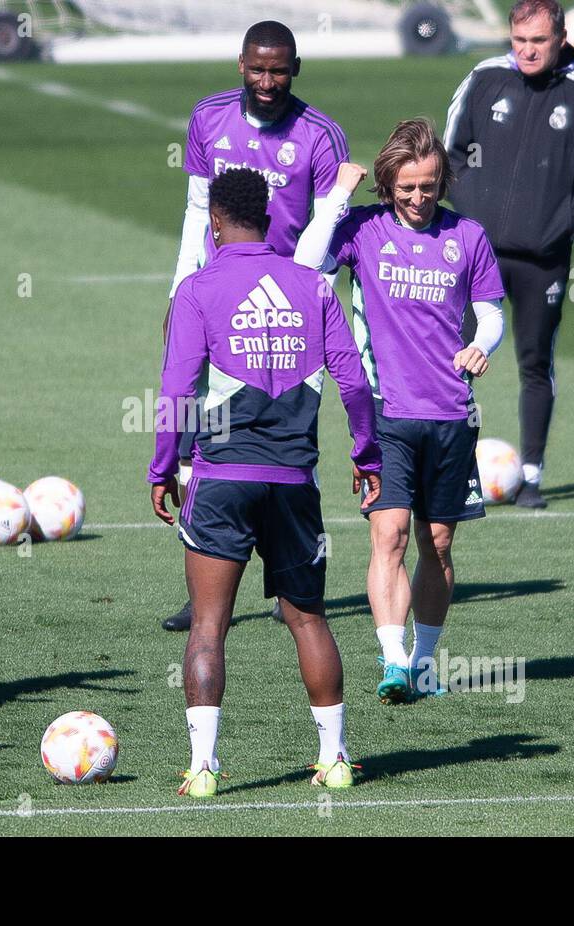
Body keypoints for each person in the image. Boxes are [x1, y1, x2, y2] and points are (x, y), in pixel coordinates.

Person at [149, 168, 382, 796]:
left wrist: (163, 466)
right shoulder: (313, 286)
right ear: (273, 218)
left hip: (222, 477)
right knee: (308, 619)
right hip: (293, 483)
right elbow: (354, 381)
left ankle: (203, 769)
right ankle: (333, 760)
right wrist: (367, 455)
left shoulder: (199, 290)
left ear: (216, 223)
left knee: (208, 625)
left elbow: (176, 389)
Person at [295, 118, 505, 702]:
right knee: (387, 536)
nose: (419, 198)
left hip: (451, 414)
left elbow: (491, 314)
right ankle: (392, 662)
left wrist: (480, 345)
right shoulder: (363, 229)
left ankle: (424, 662)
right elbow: (304, 265)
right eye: (408, 187)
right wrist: (338, 194)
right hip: (386, 414)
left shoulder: (469, 236)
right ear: (387, 185)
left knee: (437, 543)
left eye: (430, 186)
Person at [161, 19, 350, 631]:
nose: (267, 81)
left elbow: (325, 230)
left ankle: (289, 580)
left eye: (279, 69)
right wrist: (178, 289)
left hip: (290, 294)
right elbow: (196, 212)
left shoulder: (321, 136)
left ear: (295, 68)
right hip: (217, 295)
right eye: (257, 68)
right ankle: (207, 581)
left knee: (291, 425)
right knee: (201, 420)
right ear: (240, 64)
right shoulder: (207, 118)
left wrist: (291, 292)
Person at [444, 0, 574, 508]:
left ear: (561, 38)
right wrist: (470, 217)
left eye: (538, 42)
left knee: (534, 361)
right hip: (475, 256)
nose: (526, 51)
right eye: (519, 40)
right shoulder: (483, 79)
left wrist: (558, 223)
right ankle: (455, 469)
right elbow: (450, 154)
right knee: (456, 359)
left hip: (542, 260)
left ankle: (533, 476)